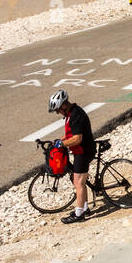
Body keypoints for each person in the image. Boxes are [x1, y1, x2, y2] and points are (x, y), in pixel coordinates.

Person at [48, 89, 95, 224]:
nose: (57, 112)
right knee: (80, 181)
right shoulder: (70, 113)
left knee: (78, 182)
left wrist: (61, 144)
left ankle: (79, 213)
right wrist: (59, 140)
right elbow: (71, 133)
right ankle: (85, 208)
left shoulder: (75, 115)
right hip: (81, 150)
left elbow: (77, 138)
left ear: (63, 105)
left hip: (83, 151)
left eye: (57, 109)